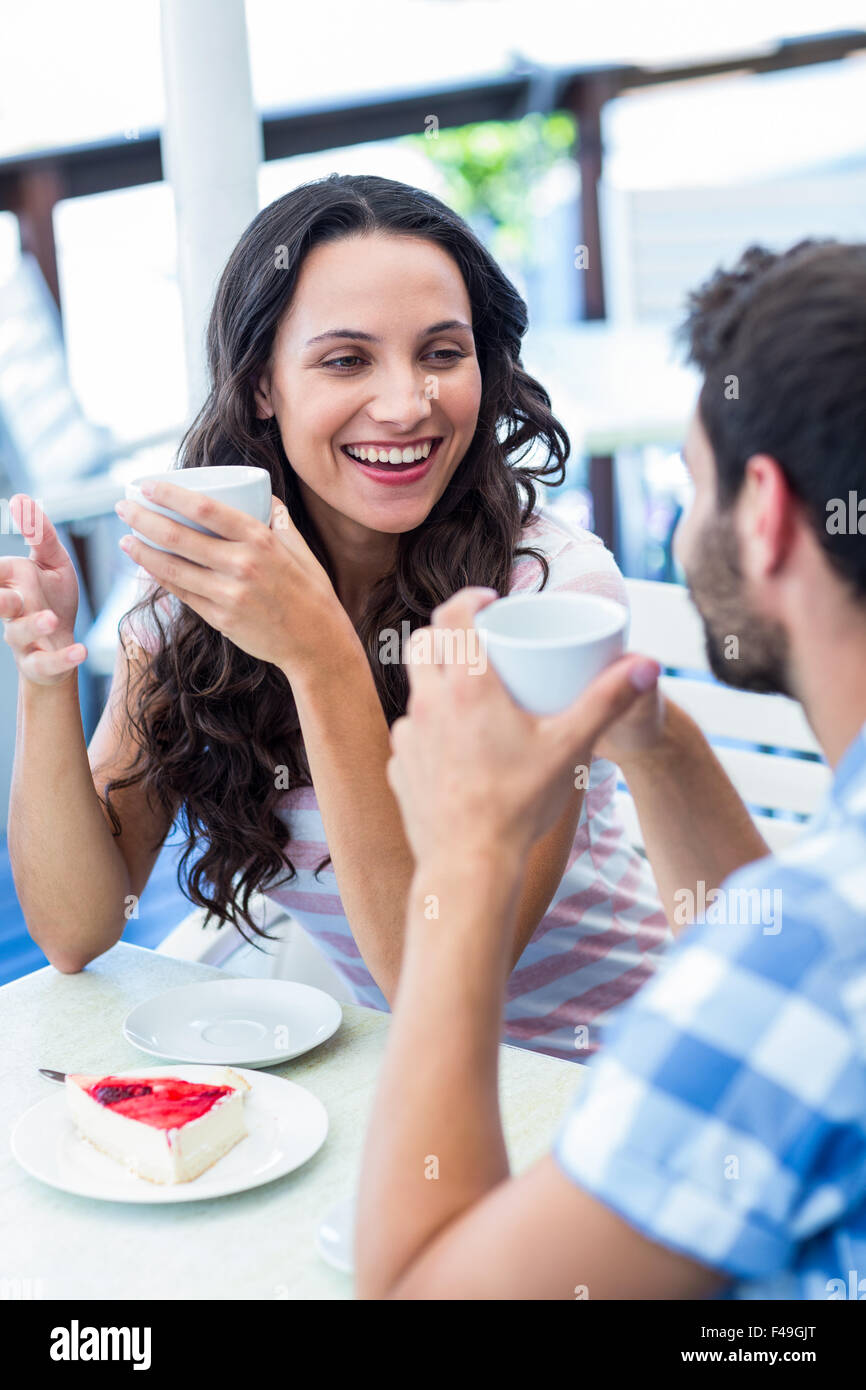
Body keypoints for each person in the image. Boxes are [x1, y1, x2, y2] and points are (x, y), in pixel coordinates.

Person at [4, 173, 670, 1061]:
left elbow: (429, 978)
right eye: (346, 360)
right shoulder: (208, 585)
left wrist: (320, 656)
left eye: (442, 353)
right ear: (261, 387)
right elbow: (79, 928)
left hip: (606, 1074)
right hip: (404, 1083)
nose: (406, 404)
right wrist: (47, 675)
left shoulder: (551, 597)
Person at [356, 239, 866, 1299]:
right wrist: (652, 739)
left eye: (690, 481)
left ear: (762, 512)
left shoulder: (813, 961)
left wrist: (466, 848)